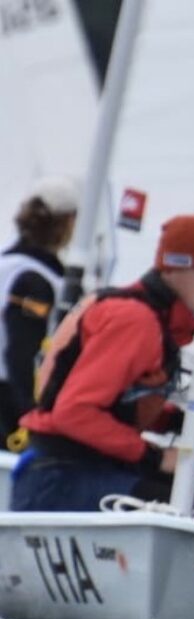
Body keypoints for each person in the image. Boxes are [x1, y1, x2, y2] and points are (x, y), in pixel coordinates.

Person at [11, 214, 194, 527]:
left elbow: (119, 403)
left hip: (90, 468)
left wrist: (181, 421)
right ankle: (189, 568)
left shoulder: (153, 319)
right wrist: (158, 458)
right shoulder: (135, 320)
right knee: (190, 508)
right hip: (59, 479)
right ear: (176, 268)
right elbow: (75, 412)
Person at [0, 177, 79, 450]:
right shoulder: (34, 279)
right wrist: (29, 417)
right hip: (8, 399)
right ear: (68, 223)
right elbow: (19, 353)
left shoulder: (7, 263)